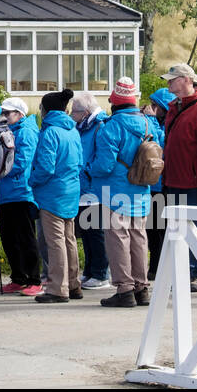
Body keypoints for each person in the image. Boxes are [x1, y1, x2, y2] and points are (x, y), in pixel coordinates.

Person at [159, 63, 197, 293]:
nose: (169, 83)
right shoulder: (174, 108)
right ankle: (182, 270)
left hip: (194, 182)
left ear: (186, 80)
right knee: (176, 230)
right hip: (175, 180)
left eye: (172, 79)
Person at [93, 78, 152, 307]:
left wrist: (90, 169)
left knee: (118, 239)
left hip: (115, 191)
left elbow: (105, 165)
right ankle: (141, 287)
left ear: (115, 102)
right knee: (139, 237)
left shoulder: (112, 127)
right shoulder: (148, 123)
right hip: (141, 190)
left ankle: (125, 289)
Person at [29, 89, 81, 303]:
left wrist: (32, 180)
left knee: (55, 241)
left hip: (52, 193)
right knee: (69, 239)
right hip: (71, 190)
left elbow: (45, 167)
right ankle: (74, 283)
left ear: (46, 109)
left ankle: (58, 288)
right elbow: (80, 162)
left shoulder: (50, 132)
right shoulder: (73, 130)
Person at [0, 97, 42, 295]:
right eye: (3, 113)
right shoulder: (10, 130)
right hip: (6, 192)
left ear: (19, 114)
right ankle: (18, 277)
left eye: (8, 113)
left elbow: (23, 161)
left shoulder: (27, 131)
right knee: (9, 238)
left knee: (26, 238)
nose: (5, 116)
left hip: (21, 192)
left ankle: (34, 279)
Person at [70, 92, 111, 290]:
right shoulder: (84, 126)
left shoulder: (100, 126)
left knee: (96, 232)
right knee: (86, 233)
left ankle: (101, 273)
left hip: (94, 188)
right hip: (84, 186)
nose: (71, 115)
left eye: (74, 112)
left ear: (85, 112)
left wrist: (87, 172)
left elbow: (102, 158)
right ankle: (90, 270)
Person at [142, 88, 175, 280]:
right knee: (151, 230)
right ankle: (154, 267)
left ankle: (160, 267)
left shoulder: (168, 124)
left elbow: (159, 144)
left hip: (162, 185)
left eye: (155, 106)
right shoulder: (156, 122)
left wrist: (152, 120)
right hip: (151, 185)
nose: (152, 108)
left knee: (161, 230)